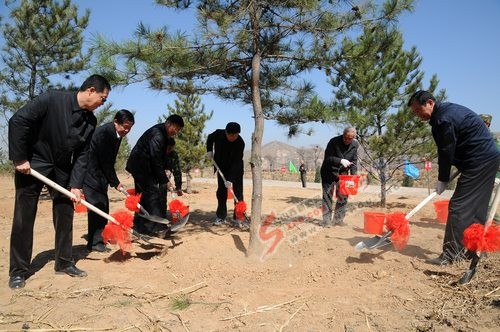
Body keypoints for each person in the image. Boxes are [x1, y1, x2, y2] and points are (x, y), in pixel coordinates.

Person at [7, 74, 111, 289]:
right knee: (24, 218)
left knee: (65, 214)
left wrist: (76, 184)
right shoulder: (52, 99)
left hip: (62, 170)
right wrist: (20, 158)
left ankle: (63, 262)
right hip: (33, 165)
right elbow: (18, 120)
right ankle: (19, 271)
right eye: (103, 98)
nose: (103, 103)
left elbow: (83, 155)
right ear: (91, 90)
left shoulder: (90, 121)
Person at [408, 91, 499, 265]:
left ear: (430, 102)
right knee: (476, 209)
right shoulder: (445, 112)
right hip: (485, 160)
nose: (417, 115)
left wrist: (442, 178)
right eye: (414, 112)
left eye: (418, 110)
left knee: (459, 207)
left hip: (478, 161)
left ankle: (451, 255)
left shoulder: (443, 119)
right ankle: (473, 250)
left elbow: (446, 151)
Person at [83, 109, 135, 253]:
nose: (127, 130)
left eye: (130, 128)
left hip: (100, 175)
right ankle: (94, 243)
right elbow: (106, 162)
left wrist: (111, 180)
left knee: (103, 206)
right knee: (97, 207)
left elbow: (108, 162)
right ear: (115, 122)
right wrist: (115, 182)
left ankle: (100, 237)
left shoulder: (116, 134)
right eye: (125, 126)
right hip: (91, 174)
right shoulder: (105, 134)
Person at [126, 114, 184, 237]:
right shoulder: (158, 134)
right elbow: (155, 159)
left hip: (144, 167)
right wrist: (165, 180)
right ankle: (157, 228)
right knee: (152, 195)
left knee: (143, 197)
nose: (176, 132)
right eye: (176, 128)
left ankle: (140, 227)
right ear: (169, 123)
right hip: (141, 167)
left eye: (179, 130)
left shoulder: (163, 134)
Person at [206, 122, 245, 227]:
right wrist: (209, 150)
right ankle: (221, 216)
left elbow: (237, 162)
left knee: (238, 192)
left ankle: (238, 217)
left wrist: (231, 179)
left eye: (235, 135)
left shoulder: (240, 143)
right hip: (221, 168)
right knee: (221, 192)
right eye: (230, 135)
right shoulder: (218, 134)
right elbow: (210, 138)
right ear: (226, 132)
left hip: (236, 170)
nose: (233, 137)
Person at [320, 127, 359, 227]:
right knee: (328, 197)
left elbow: (354, 162)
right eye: (345, 137)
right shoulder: (334, 141)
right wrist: (340, 160)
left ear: (353, 137)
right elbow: (328, 158)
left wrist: (353, 177)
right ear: (343, 134)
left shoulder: (355, 145)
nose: (347, 140)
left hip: (343, 174)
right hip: (328, 172)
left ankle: (338, 220)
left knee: (343, 196)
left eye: (350, 139)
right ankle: (326, 221)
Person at [160, 138, 184, 216]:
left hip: (165, 178)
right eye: (167, 148)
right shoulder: (157, 152)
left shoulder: (173, 155)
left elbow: (177, 171)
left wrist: (178, 187)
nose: (168, 150)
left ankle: (162, 216)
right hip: (153, 177)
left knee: (162, 197)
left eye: (170, 148)